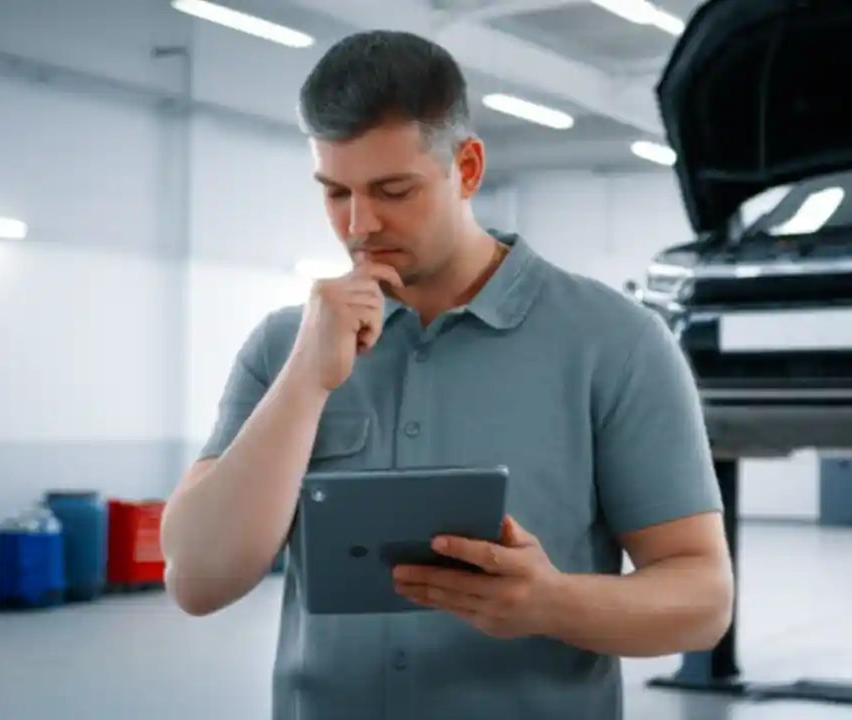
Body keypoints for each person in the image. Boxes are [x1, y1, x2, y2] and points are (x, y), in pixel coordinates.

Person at [160, 29, 733, 720]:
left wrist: (552, 602)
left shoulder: (615, 341)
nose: (360, 224)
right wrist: (306, 383)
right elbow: (197, 579)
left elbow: (703, 598)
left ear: (467, 168)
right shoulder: (288, 344)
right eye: (335, 192)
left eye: (393, 190)